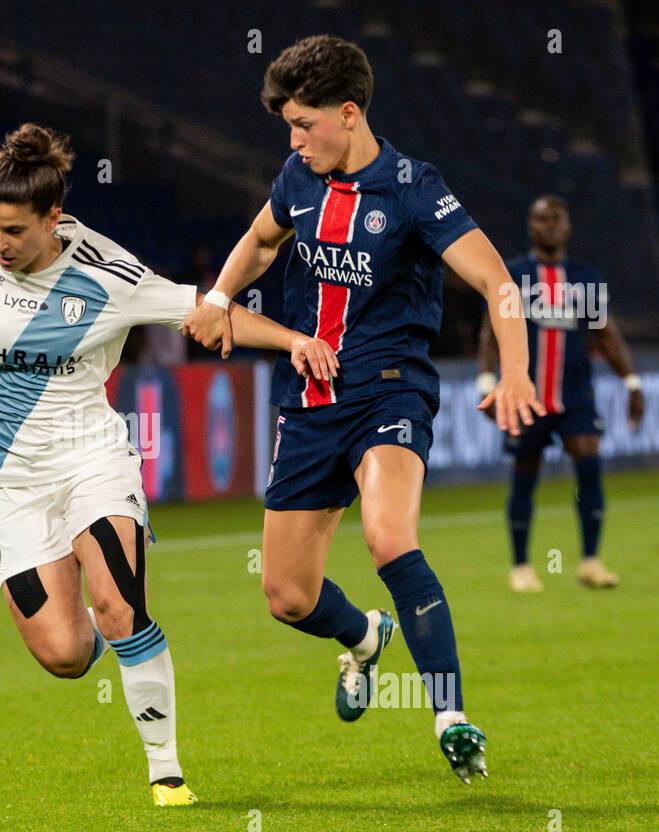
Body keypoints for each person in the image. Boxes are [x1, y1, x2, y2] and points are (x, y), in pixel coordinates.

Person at [0, 123, 334, 805]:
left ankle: (167, 773)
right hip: (6, 476)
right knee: (65, 653)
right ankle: (105, 649)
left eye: (12, 229)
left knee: (120, 605)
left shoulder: (107, 272)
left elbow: (203, 310)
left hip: (89, 455)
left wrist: (292, 341)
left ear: (53, 217)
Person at [183, 35, 547, 783]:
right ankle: (365, 637)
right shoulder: (297, 176)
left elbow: (497, 282)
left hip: (390, 386)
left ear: (348, 114)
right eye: (288, 126)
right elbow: (258, 242)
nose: (293, 140)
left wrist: (515, 372)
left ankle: (451, 713)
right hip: (310, 403)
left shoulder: (414, 187)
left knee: (388, 537)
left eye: (304, 124)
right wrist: (221, 295)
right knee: (286, 596)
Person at [478, 195, 644, 592]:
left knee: (589, 458)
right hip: (526, 393)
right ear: (530, 226)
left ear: (567, 225)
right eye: (540, 219)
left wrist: (632, 382)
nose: (547, 226)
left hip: (575, 393)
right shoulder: (513, 275)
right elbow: (491, 332)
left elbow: (605, 333)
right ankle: (521, 566)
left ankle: (590, 560)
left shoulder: (585, 278)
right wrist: (487, 381)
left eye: (555, 219)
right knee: (525, 471)